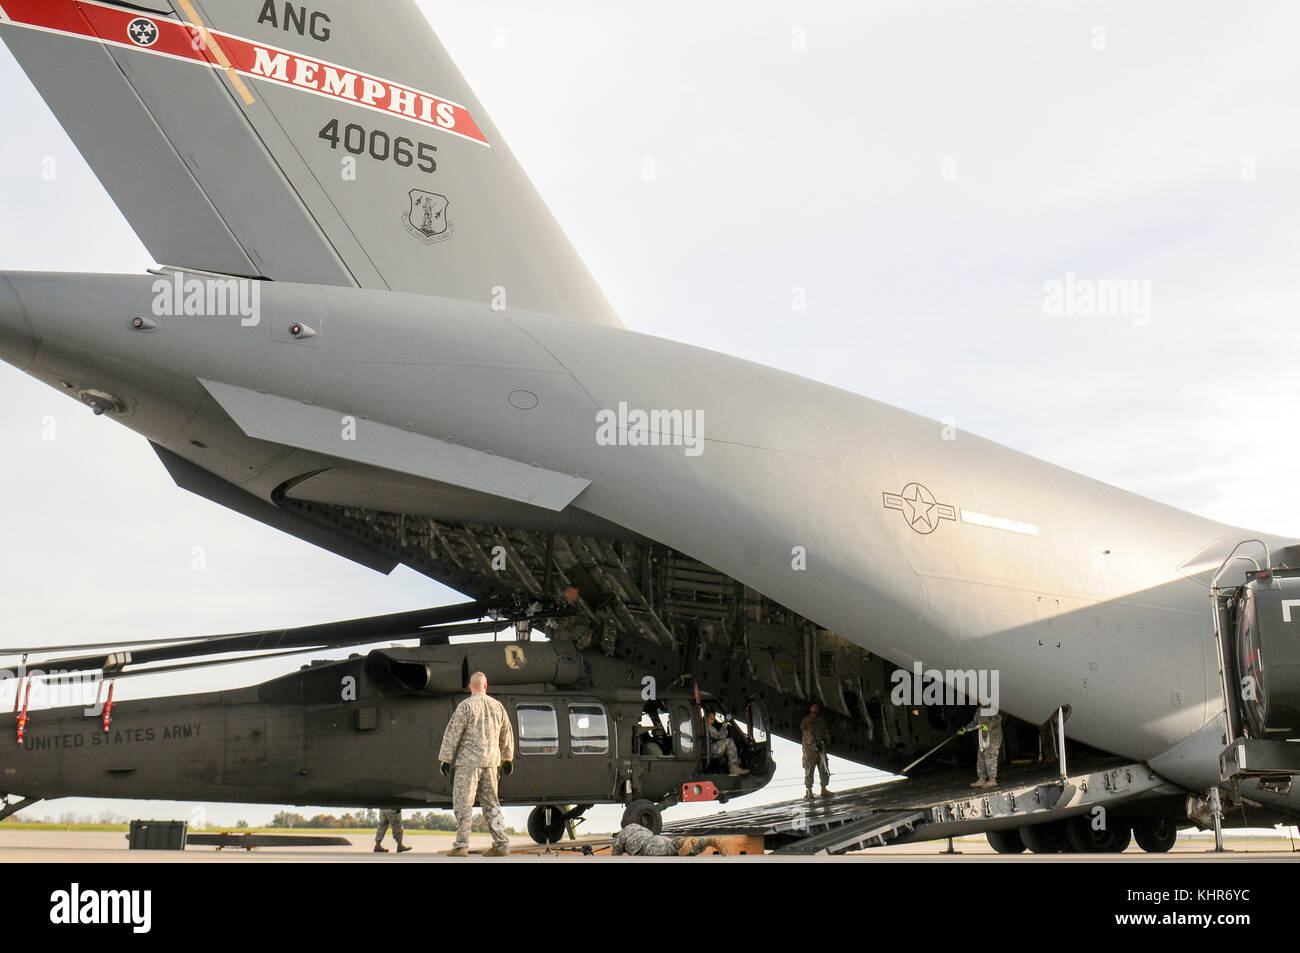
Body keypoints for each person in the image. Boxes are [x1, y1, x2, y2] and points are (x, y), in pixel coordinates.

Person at [438, 671, 515, 857]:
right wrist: (507, 758)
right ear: (486, 686)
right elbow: (507, 733)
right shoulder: (498, 707)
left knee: (464, 804)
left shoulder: (465, 706)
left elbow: (452, 733)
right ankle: (502, 843)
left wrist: (445, 759)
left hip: (469, 764)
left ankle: (461, 845)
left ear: (469, 687)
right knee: (492, 804)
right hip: (491, 763)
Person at [611, 810, 726, 857]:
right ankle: (705, 842)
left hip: (646, 846)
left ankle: (684, 841)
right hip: (655, 838)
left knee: (670, 847)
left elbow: (616, 852)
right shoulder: (640, 828)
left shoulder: (624, 832)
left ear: (623, 825)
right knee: (680, 850)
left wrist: (618, 843)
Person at [960, 711, 1003, 787]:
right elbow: (975, 722)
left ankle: (992, 780)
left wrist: (988, 726)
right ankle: (982, 779)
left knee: (990, 757)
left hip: (993, 737)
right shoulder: (979, 710)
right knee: (981, 757)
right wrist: (965, 729)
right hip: (983, 737)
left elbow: (998, 719)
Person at [800, 702, 832, 798]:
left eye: (816, 712)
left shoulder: (820, 721)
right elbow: (808, 735)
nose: (814, 714)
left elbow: (825, 732)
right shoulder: (806, 722)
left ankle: (823, 789)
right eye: (813, 712)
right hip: (810, 751)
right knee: (809, 770)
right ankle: (809, 791)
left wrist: (826, 741)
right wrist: (815, 746)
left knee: (824, 768)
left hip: (820, 749)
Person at [705, 712, 749, 776]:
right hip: (710, 749)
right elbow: (721, 736)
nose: (712, 721)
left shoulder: (702, 725)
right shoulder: (707, 726)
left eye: (713, 720)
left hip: (707, 748)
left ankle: (734, 762)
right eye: (711, 719)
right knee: (729, 742)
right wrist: (725, 724)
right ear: (706, 718)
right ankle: (733, 768)